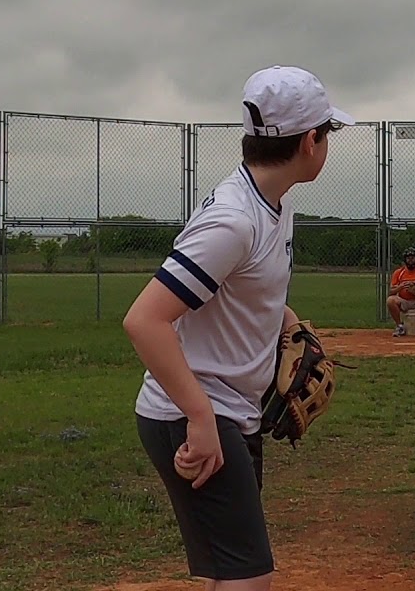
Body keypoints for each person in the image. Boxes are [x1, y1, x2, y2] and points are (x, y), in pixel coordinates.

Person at [122, 65, 354, 591]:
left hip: (228, 410)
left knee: (234, 572)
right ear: (311, 142)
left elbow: (249, 291)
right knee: (251, 578)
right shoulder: (233, 219)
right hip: (194, 413)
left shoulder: (273, 202)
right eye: (328, 134)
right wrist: (200, 417)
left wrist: (291, 325)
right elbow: (145, 320)